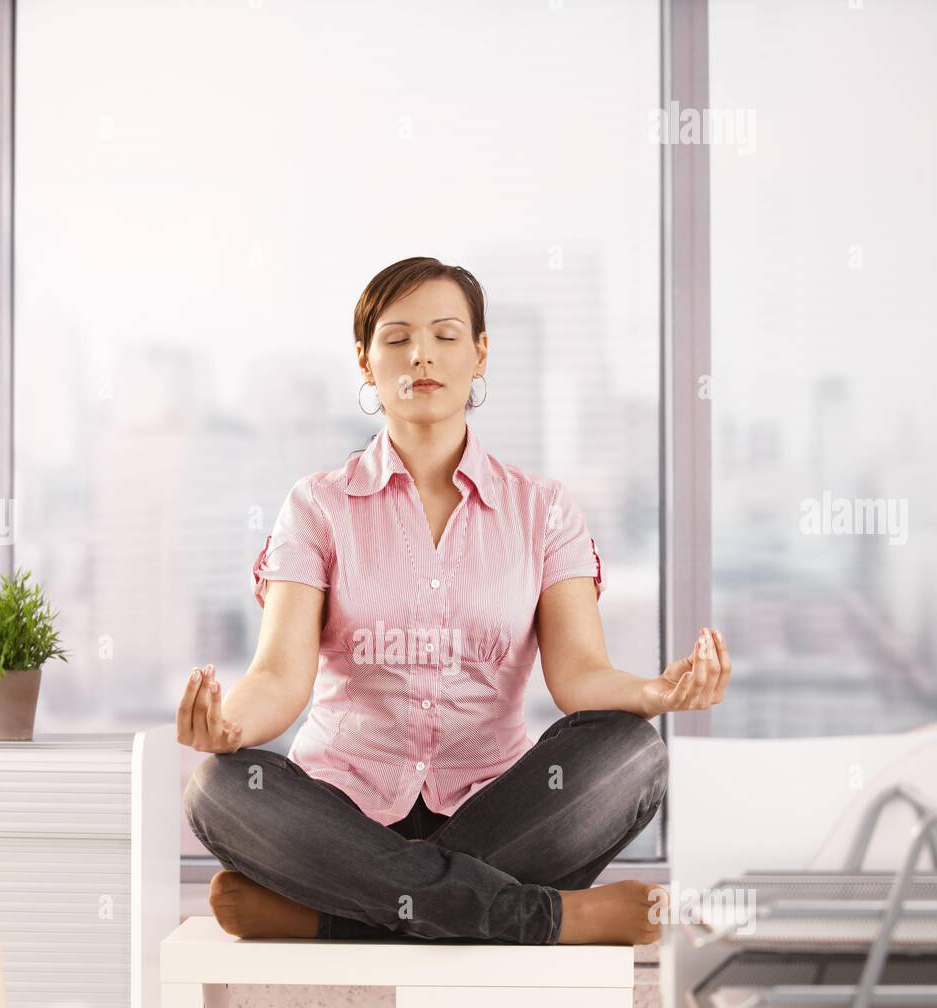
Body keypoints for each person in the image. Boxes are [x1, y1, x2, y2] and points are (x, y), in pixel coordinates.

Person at [180, 257, 731, 945]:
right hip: (341, 819)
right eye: (396, 337)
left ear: (479, 354)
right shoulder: (317, 505)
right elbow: (277, 677)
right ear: (364, 361)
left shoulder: (543, 509)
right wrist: (230, 726)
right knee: (217, 788)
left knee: (632, 752)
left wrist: (653, 692)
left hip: (501, 814)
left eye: (445, 335)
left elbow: (578, 677)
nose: (421, 355)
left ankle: (331, 916)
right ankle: (550, 919)